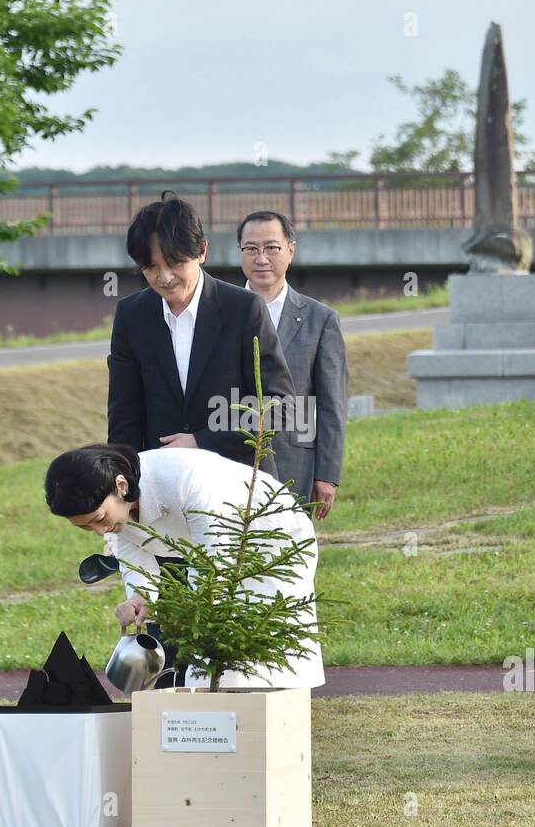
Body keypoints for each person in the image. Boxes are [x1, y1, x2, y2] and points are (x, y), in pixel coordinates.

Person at [45, 443, 324, 688]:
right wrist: (140, 596)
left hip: (275, 545)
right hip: (218, 554)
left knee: (268, 651)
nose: (98, 530)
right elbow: (134, 553)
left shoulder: (185, 478)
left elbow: (212, 558)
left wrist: (186, 614)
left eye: (99, 518)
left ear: (121, 486)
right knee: (206, 671)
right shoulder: (118, 509)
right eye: (85, 527)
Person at [107, 191, 296, 476]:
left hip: (239, 482)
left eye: (175, 263)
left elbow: (280, 407)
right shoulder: (131, 315)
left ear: (202, 251)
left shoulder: (244, 309)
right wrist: (123, 485)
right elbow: (124, 418)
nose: (165, 277)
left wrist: (202, 441)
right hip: (162, 486)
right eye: (152, 267)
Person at [238, 210, 348, 518]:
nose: (261, 258)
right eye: (251, 248)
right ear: (240, 253)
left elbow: (331, 404)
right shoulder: (217, 313)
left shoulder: (320, 320)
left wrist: (327, 474)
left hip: (294, 464)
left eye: (272, 248)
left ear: (290, 250)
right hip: (229, 459)